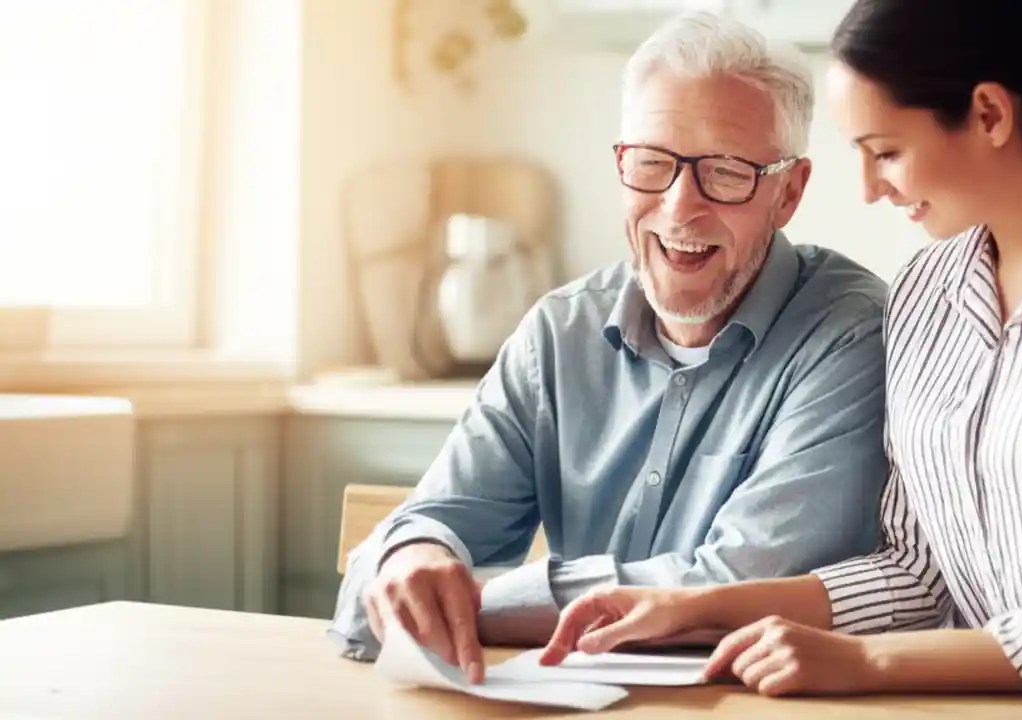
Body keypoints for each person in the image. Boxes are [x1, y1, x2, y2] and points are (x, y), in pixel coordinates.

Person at [539, 0, 1022, 702]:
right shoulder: (927, 288)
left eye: (885, 152)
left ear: (989, 113)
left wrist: (865, 661)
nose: (867, 189)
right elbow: (917, 572)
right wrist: (695, 609)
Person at [327, 12, 891, 684]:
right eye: (652, 164)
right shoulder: (558, 334)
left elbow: (744, 584)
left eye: (726, 173)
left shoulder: (854, 336)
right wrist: (410, 556)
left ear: (788, 191)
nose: (681, 208)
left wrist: (480, 604)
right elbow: (414, 536)